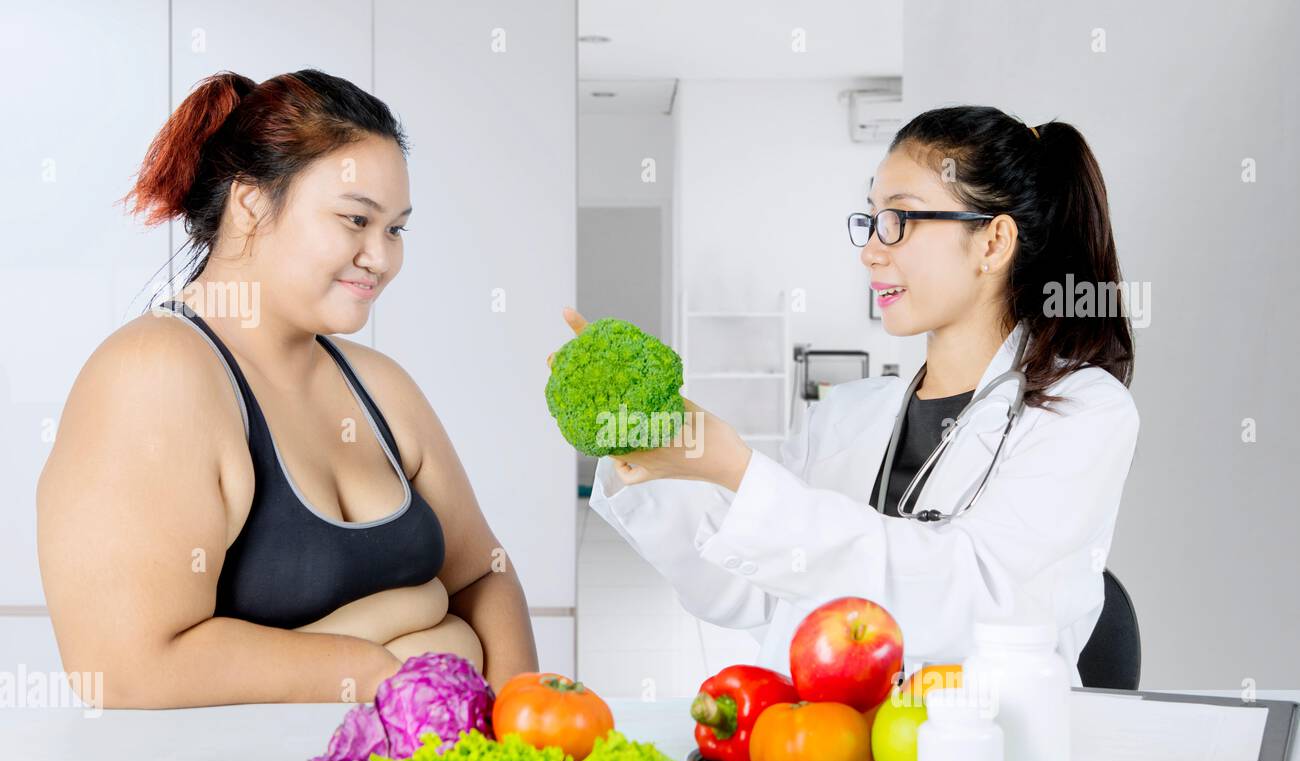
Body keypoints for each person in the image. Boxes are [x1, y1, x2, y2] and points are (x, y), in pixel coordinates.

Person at [564, 105, 1139, 687]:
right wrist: (648, 437)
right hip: (829, 757)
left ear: (993, 242)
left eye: (901, 220)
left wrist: (740, 472)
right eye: (870, 220)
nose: (870, 249)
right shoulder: (845, 415)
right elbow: (754, 593)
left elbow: (980, 598)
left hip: (987, 756)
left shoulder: (1084, 412)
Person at [37, 69, 537, 708]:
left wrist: (526, 721)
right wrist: (388, 671)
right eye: (356, 219)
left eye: (395, 229)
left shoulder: (378, 385)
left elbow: (480, 574)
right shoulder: (154, 372)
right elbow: (126, 669)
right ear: (249, 205)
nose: (380, 257)